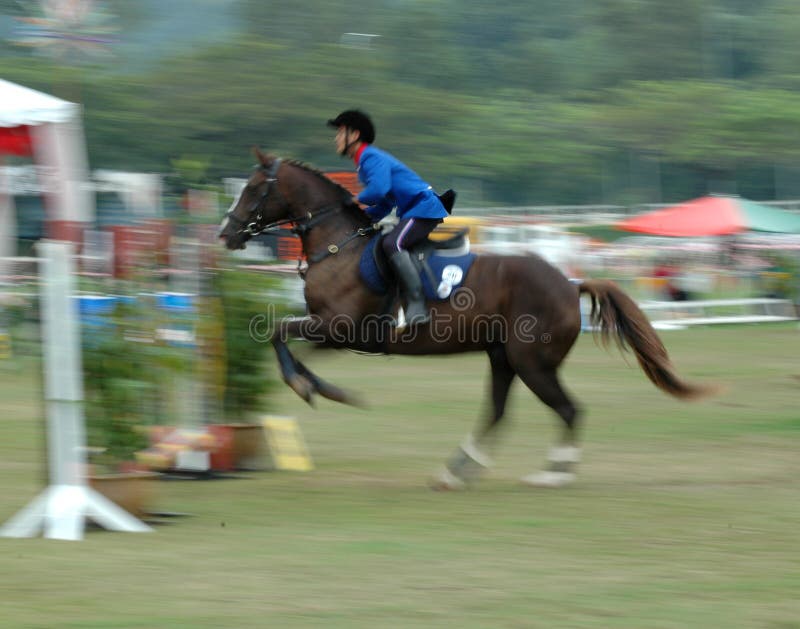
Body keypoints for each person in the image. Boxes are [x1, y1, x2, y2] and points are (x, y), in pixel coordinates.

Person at [327, 109, 448, 327]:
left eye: (340, 132)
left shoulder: (370, 157)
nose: (335, 138)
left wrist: (354, 201)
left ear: (353, 135)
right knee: (387, 241)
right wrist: (365, 220)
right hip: (413, 210)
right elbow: (385, 202)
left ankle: (417, 306)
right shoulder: (363, 164)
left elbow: (379, 189)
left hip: (422, 208)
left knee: (394, 243)